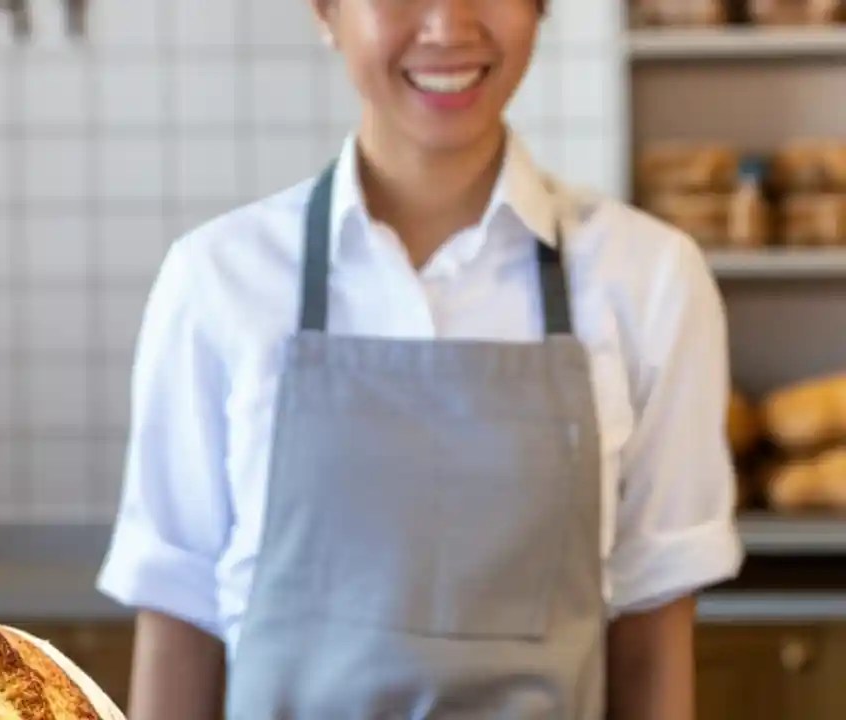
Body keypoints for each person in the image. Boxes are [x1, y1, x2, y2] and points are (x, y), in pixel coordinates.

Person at [96, 0, 744, 718]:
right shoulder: (218, 282)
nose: (447, 26)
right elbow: (179, 626)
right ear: (326, 11)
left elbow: (653, 641)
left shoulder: (648, 279)